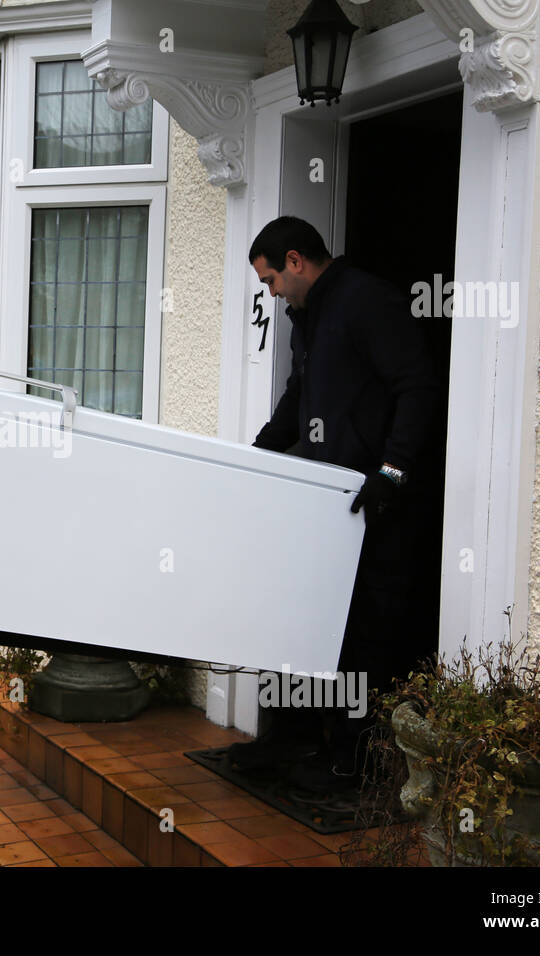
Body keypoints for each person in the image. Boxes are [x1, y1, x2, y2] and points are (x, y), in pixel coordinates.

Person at [230, 216, 441, 789]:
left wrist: (391, 471)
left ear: (295, 261)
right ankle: (299, 738)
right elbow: (297, 399)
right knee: (318, 620)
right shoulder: (307, 319)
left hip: (380, 503)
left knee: (371, 631)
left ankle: (360, 760)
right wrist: (254, 458)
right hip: (326, 503)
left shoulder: (367, 301)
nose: (270, 292)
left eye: (270, 279)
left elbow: (416, 386)